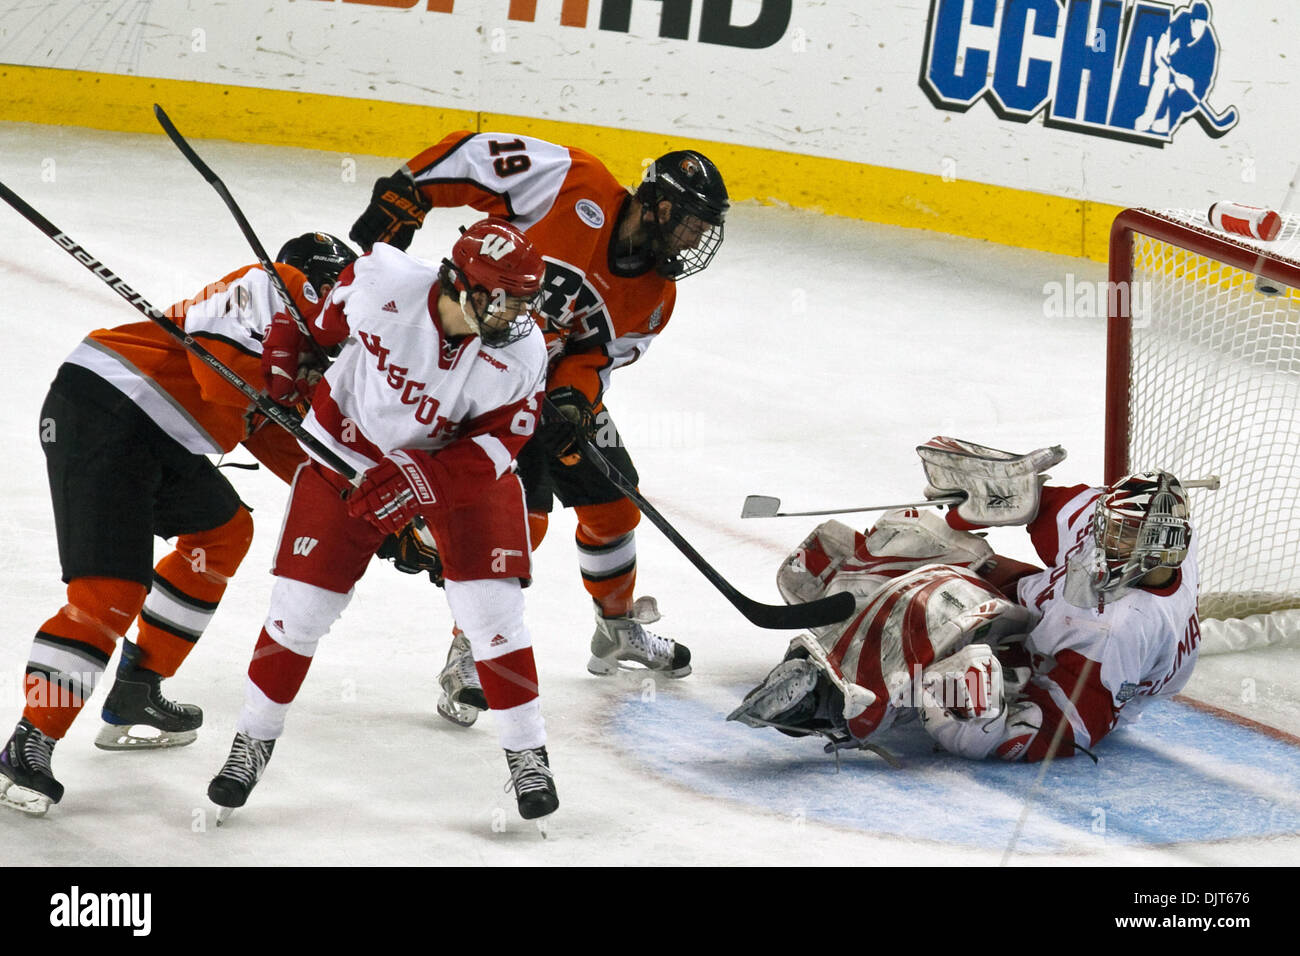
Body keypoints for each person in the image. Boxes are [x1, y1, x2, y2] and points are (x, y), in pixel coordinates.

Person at [348, 132, 729, 726]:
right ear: (654, 203)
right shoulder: (575, 181)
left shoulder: (657, 294)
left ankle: (616, 628)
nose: (689, 240)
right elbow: (477, 157)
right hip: (476, 373)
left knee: (615, 507)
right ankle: (467, 654)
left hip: (546, 390)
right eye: (685, 223)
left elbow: (597, 356)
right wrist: (411, 191)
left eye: (700, 231)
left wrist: (574, 401)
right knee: (522, 520)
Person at [206, 217, 561, 822]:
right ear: (461, 284)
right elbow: (323, 317)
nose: (516, 316)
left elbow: (500, 447)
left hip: (455, 470)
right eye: (503, 300)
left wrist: (426, 481)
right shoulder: (384, 282)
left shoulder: (522, 353)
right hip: (345, 453)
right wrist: (293, 343)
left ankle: (528, 754)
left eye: (524, 301)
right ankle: (252, 742)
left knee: (493, 616)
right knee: (298, 613)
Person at [0, 234, 356, 815]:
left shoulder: (299, 341)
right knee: (108, 594)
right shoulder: (270, 284)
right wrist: (295, 381)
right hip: (107, 410)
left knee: (225, 531)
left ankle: (138, 689)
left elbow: (277, 440)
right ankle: (28, 742)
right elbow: (222, 380)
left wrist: (356, 501)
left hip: (158, 436)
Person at [730, 436, 1201, 764]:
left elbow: (1079, 720)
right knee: (915, 532)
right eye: (1109, 526)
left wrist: (993, 735)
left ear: (1158, 546)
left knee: (940, 603)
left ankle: (831, 703)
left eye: (1122, 536)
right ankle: (854, 616)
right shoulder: (1131, 540)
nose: (1103, 540)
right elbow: (1043, 507)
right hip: (1040, 606)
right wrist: (992, 502)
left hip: (1045, 668)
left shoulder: (1122, 628)